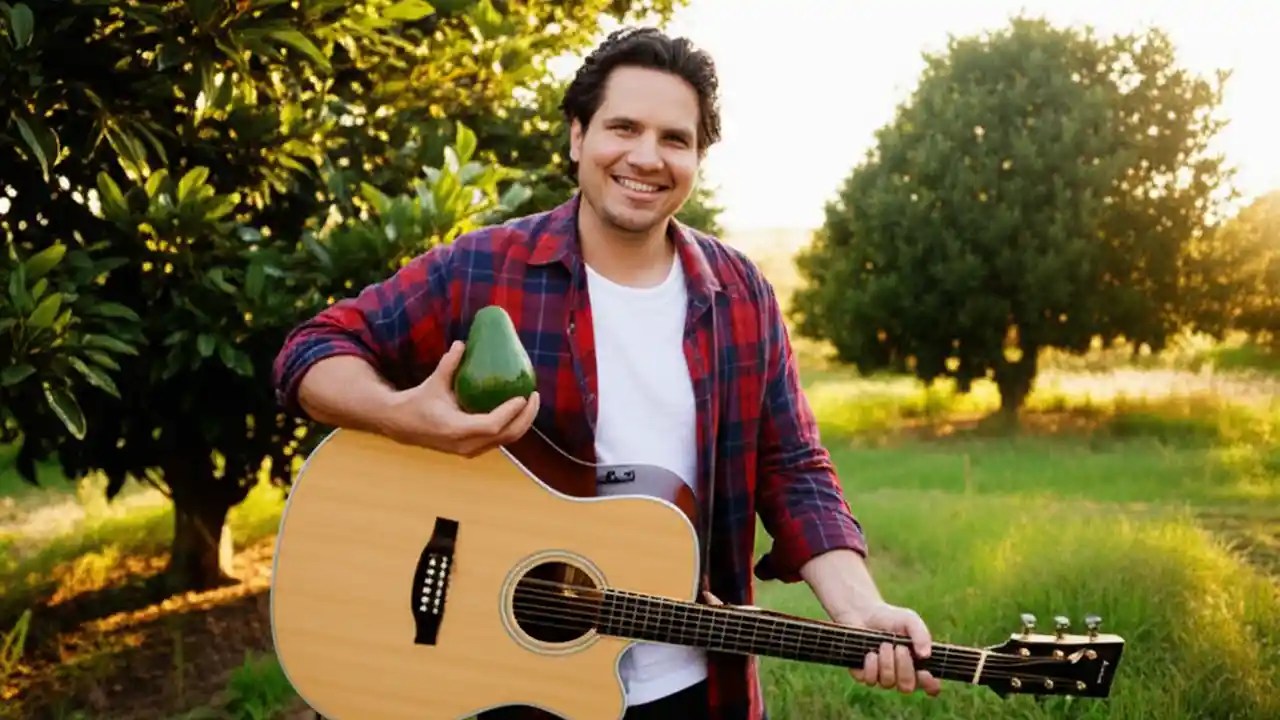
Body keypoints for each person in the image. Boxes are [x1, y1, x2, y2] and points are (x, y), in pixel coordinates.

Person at [272, 25, 940, 720]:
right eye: (623, 127)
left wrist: (861, 608)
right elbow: (311, 352)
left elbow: (793, 466)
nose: (646, 157)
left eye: (675, 139)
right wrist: (404, 417)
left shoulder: (741, 294)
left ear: (698, 158)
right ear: (577, 137)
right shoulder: (483, 268)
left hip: (692, 686)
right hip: (496, 683)